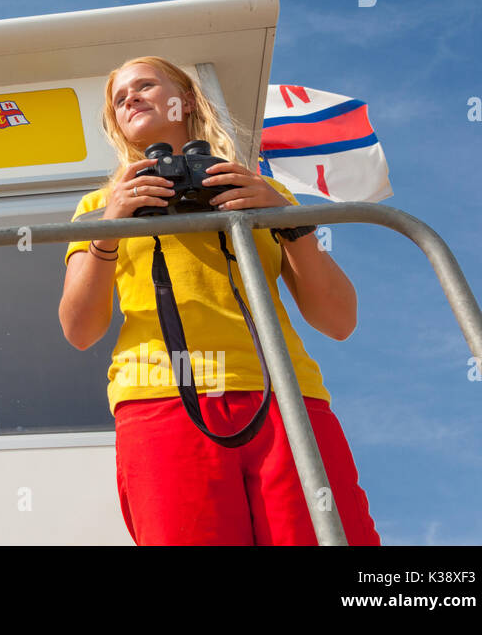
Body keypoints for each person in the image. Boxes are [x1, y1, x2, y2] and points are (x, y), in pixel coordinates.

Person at [58, 56, 380, 545]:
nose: (131, 100)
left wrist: (286, 218)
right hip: (159, 397)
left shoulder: (260, 190)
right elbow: (79, 330)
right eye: (120, 99)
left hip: (284, 394)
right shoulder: (97, 206)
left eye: (145, 86)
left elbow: (338, 319)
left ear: (184, 99)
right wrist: (111, 227)